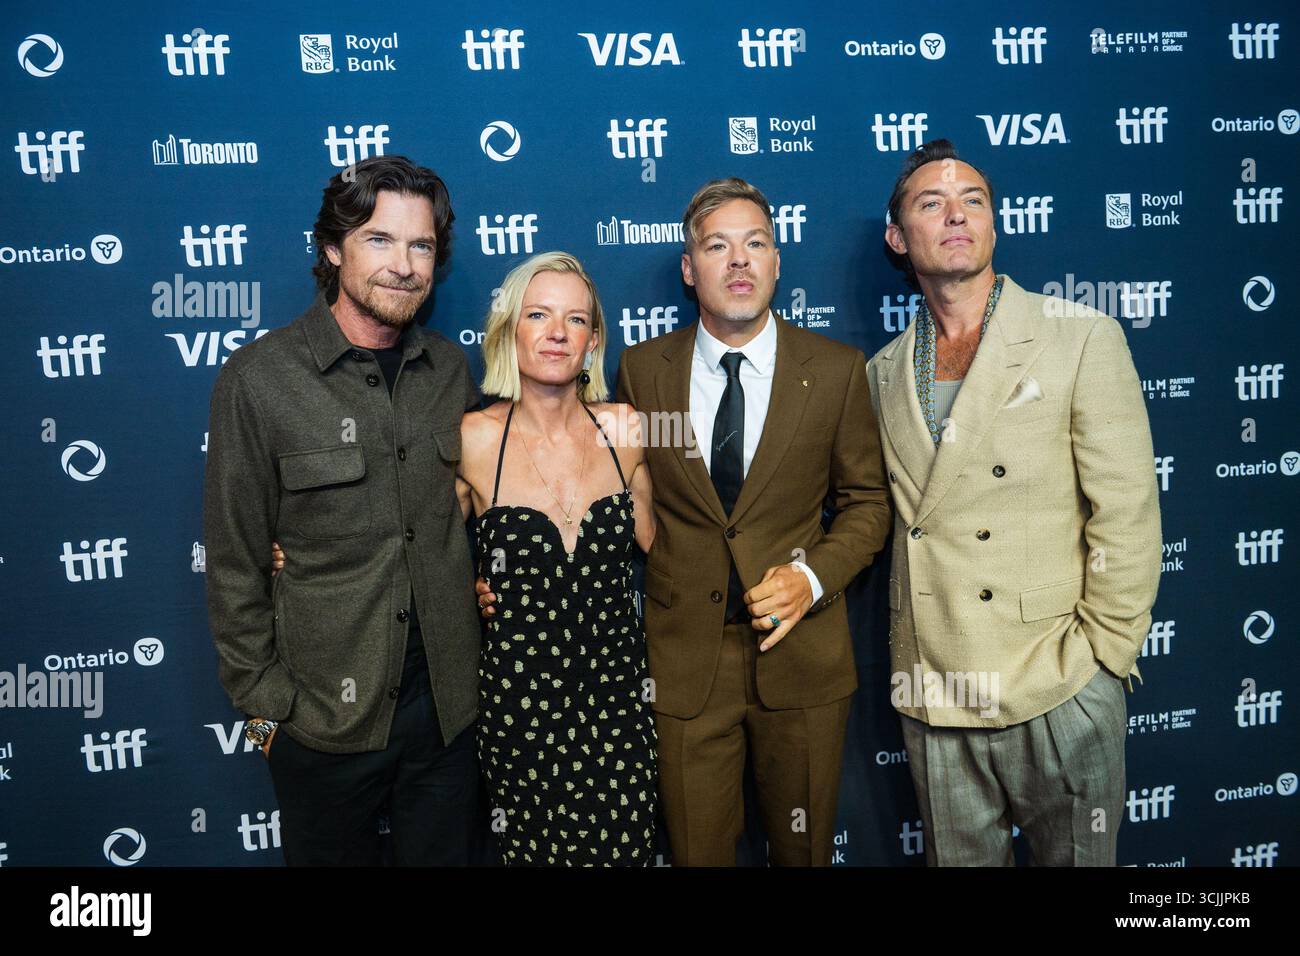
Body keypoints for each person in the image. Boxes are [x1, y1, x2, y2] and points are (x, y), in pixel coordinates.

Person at [866, 139, 1162, 866]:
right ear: (898, 238)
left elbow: (1126, 511)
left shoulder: (1079, 336)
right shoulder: (880, 374)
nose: (955, 214)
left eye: (973, 200)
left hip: (1057, 687)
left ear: (995, 225)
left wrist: (1102, 662)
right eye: (930, 203)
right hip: (938, 695)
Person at [204, 155, 482, 866]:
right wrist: (272, 714)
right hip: (323, 724)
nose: (404, 265)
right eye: (379, 241)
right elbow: (234, 562)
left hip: (447, 720)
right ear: (333, 249)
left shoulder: (451, 373)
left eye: (421, 245)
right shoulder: (260, 380)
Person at [613, 178, 891, 865]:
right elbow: (612, 495)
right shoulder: (644, 371)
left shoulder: (833, 371)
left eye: (755, 243)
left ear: (775, 261)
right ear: (689, 268)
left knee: (804, 856)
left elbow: (868, 503)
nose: (738, 261)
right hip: (685, 665)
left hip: (801, 664)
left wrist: (810, 577)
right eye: (717, 246)